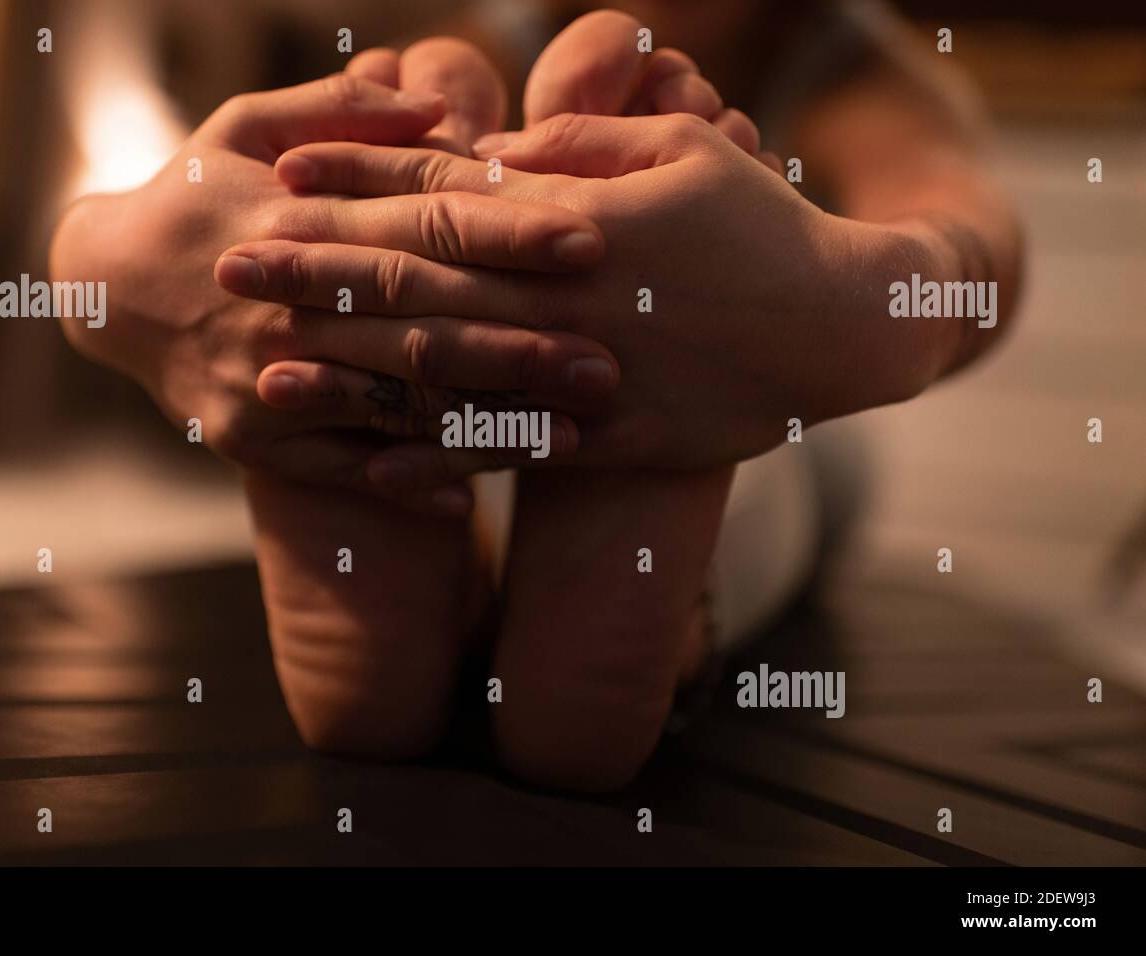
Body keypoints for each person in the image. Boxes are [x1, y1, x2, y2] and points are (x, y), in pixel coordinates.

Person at [51, 6, 1023, 791]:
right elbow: (963, 241)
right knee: (541, 406)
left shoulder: (850, 62)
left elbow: (960, 241)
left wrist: (831, 305)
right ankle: (599, 581)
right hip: (535, 401)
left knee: (753, 441)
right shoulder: (502, 39)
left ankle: (503, 565)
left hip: (727, 401)